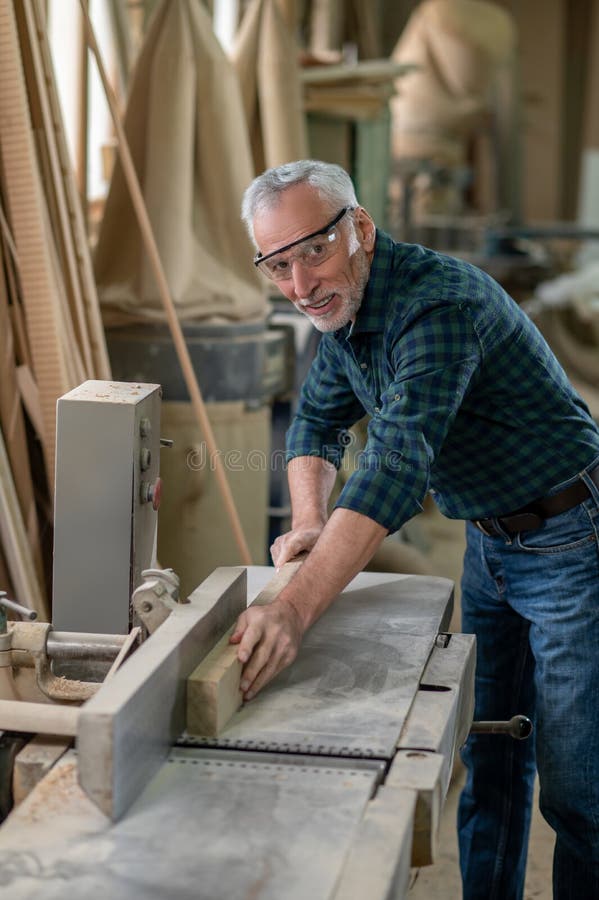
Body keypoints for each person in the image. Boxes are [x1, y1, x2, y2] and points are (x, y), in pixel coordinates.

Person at [231, 159, 599, 899]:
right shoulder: (344, 311)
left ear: (360, 229)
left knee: (576, 788)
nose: (300, 285)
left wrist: (293, 608)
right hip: (489, 540)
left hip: (569, 540)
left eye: (313, 251)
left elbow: (395, 468)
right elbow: (314, 422)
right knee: (491, 754)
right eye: (277, 266)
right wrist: (309, 524)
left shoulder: (437, 306)